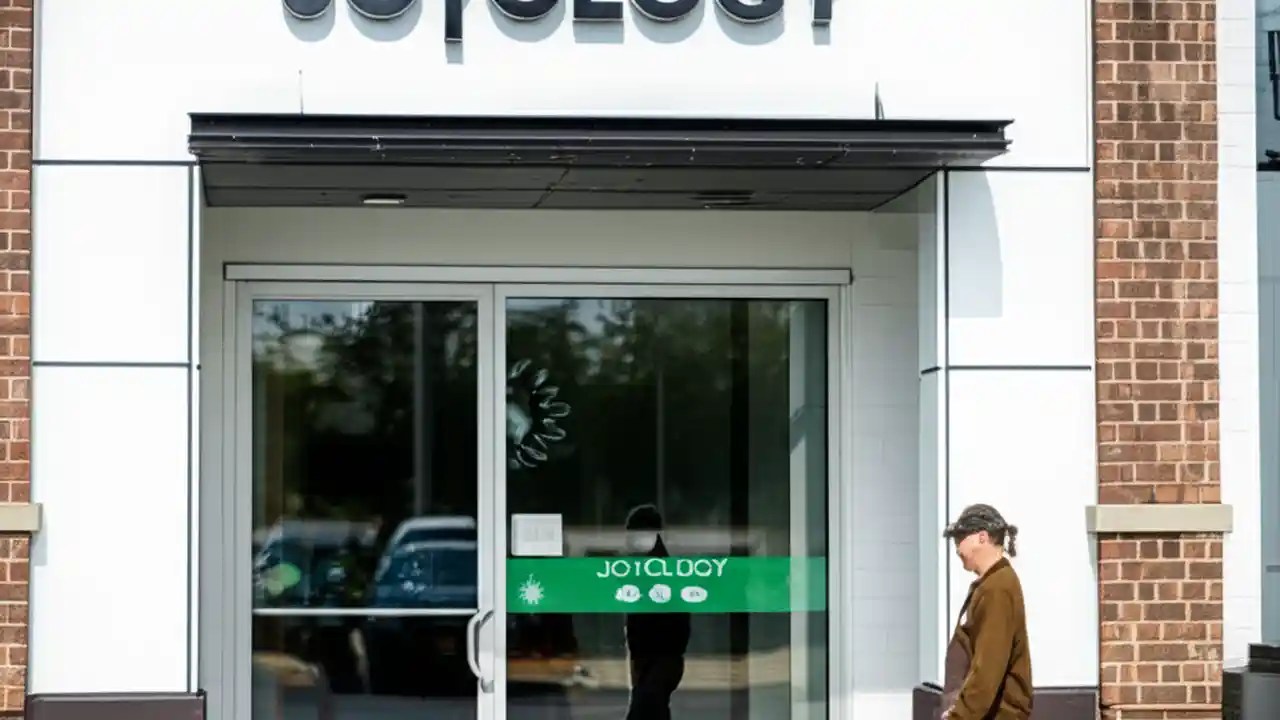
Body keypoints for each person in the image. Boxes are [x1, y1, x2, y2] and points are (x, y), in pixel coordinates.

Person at [940, 504, 1033, 720]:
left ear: (982, 537)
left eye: (960, 538)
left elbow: (986, 671)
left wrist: (959, 717)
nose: (956, 548)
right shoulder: (991, 584)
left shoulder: (997, 588)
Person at [623, 504, 690, 720]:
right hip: (652, 662)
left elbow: (676, 624)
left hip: (660, 660)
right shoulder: (642, 569)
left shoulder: (660, 572)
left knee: (645, 709)